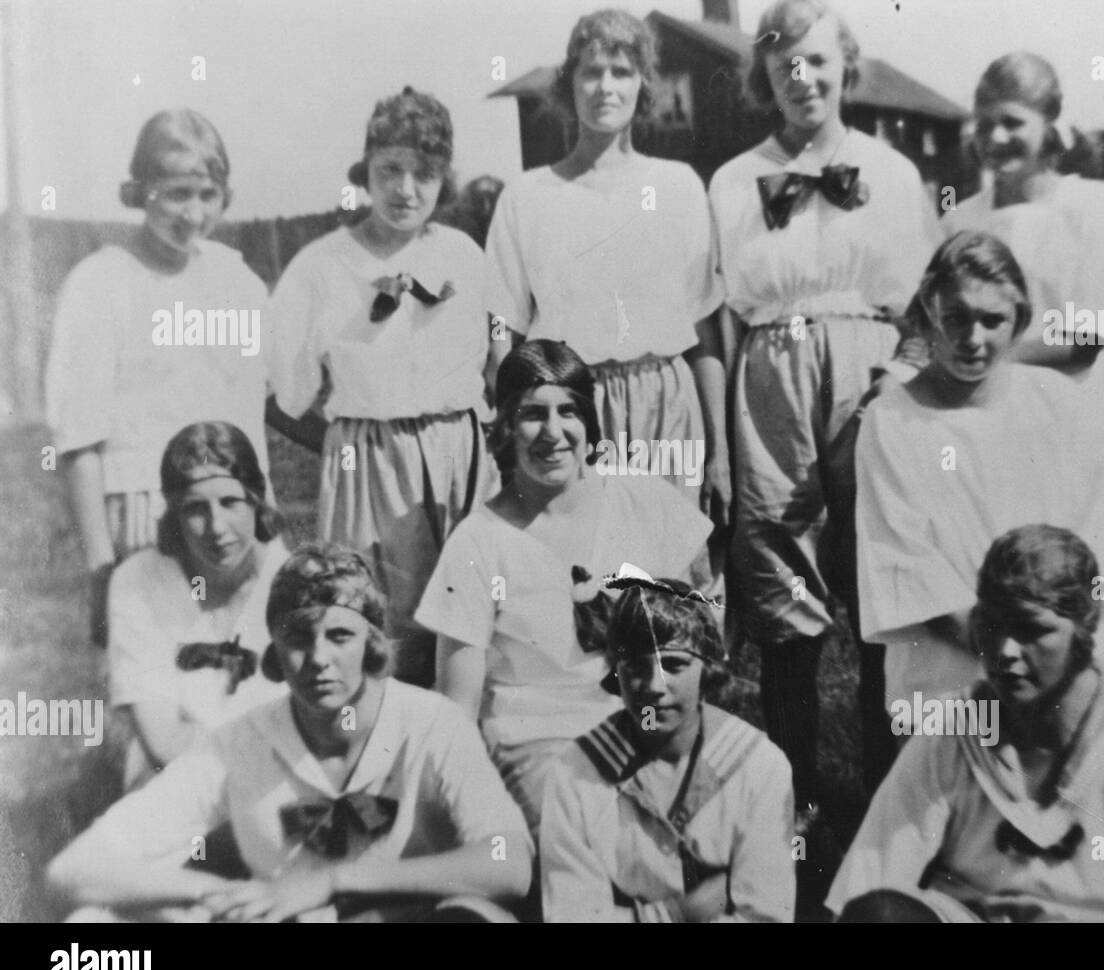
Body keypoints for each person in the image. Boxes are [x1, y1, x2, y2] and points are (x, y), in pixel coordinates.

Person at [707, 0, 938, 816]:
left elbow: (925, 308)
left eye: (816, 62)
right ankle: (791, 805)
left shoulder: (895, 172)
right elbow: (724, 314)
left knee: (879, 592)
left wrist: (896, 390)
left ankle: (889, 804)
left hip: (869, 379)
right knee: (783, 597)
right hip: (769, 386)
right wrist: (722, 443)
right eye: (782, 66)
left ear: (847, 67)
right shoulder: (734, 182)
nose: (801, 79)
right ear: (763, 78)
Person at [46, 544, 532, 923]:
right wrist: (214, 894)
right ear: (275, 650)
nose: (319, 658)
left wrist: (335, 880)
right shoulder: (243, 741)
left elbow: (508, 863)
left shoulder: (432, 722)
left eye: (340, 636)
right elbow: (74, 869)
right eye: (299, 638)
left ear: (372, 644)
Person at [827, 525, 1104, 923]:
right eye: (992, 625)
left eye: (1030, 629)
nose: (1004, 651)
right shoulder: (959, 727)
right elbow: (866, 886)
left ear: (1085, 627)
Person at [414, 340, 714, 836]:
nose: (552, 434)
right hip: (537, 739)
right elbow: (457, 705)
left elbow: (699, 623)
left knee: (727, 815)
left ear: (588, 421)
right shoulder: (480, 539)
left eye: (568, 412)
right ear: (506, 426)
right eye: (532, 415)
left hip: (647, 722)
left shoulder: (640, 497)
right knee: (601, 830)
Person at [855, 232, 1104, 705]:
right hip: (955, 667)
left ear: (1019, 320)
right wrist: (1002, 650)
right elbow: (907, 562)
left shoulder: (1060, 402)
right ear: (926, 317)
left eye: (992, 320)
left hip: (1065, 659)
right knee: (960, 762)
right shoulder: (894, 421)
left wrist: (1053, 649)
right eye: (955, 318)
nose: (973, 339)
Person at [265, 86, 495, 687]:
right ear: (365, 172)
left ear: (444, 181)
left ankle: (460, 751)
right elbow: (281, 393)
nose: (406, 189)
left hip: (459, 459)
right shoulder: (321, 266)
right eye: (390, 169)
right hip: (368, 464)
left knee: (468, 624)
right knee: (375, 627)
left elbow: (499, 364)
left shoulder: (465, 257)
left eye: (425, 173)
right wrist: (344, 440)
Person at [943, 51, 1104, 640]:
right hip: (994, 424)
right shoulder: (963, 220)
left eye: (1013, 121)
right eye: (984, 121)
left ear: (1050, 123)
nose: (996, 136)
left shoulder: (1092, 207)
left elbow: (1088, 334)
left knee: (1086, 586)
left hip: (1080, 416)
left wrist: (983, 357)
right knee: (1018, 587)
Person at [484, 9, 729, 518]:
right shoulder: (527, 197)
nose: (605, 87)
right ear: (568, 85)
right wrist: (516, 433)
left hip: (665, 402)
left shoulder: (678, 186)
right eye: (591, 72)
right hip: (568, 408)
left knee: (670, 576)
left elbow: (704, 332)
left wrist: (720, 451)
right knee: (579, 572)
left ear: (643, 85)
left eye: (621, 72)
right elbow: (501, 333)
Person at [44, 109, 275, 647]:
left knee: (243, 686)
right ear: (140, 192)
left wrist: (268, 518)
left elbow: (251, 412)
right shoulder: (100, 284)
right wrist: (102, 566)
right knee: (158, 690)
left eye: (208, 194)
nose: (193, 213)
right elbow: (80, 441)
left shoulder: (235, 279)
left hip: (238, 514)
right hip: (148, 512)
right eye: (175, 194)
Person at [541, 573, 795, 923]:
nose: (654, 687)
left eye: (674, 665)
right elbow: (571, 915)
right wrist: (675, 915)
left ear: (708, 668)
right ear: (615, 672)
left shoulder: (758, 765)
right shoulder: (576, 771)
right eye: (635, 667)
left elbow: (766, 915)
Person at [109, 422, 289, 791]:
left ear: (256, 499)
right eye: (195, 509)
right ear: (174, 513)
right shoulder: (137, 583)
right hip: (173, 783)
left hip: (279, 787)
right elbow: (164, 741)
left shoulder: (292, 583)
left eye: (230, 502)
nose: (216, 526)